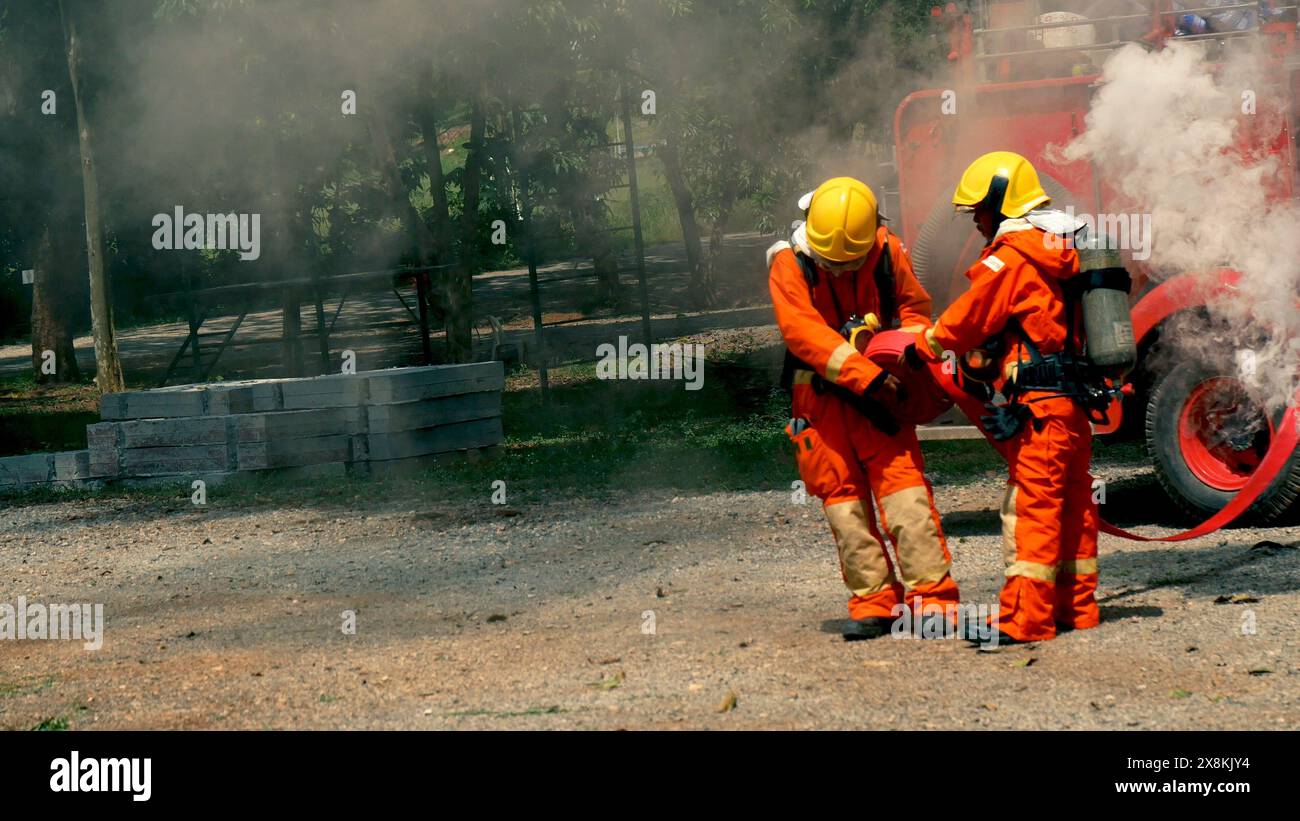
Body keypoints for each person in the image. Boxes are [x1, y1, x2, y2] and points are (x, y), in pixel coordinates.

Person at [913, 151, 1100, 644]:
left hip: (1038, 406)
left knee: (1031, 507)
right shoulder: (1062, 246)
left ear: (1001, 203)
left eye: (978, 209)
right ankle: (1077, 608)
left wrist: (924, 344)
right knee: (1075, 501)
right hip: (1072, 405)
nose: (974, 219)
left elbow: (969, 317)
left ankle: (1027, 618)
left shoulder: (1013, 256)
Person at [768, 177, 960, 640]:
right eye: (831, 264)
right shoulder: (788, 264)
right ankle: (874, 602)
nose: (838, 270)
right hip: (822, 401)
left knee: (906, 497)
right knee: (844, 504)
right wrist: (865, 374)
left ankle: (933, 602)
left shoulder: (886, 253)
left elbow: (916, 308)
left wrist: (906, 354)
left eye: (848, 262)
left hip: (884, 393)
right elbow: (804, 335)